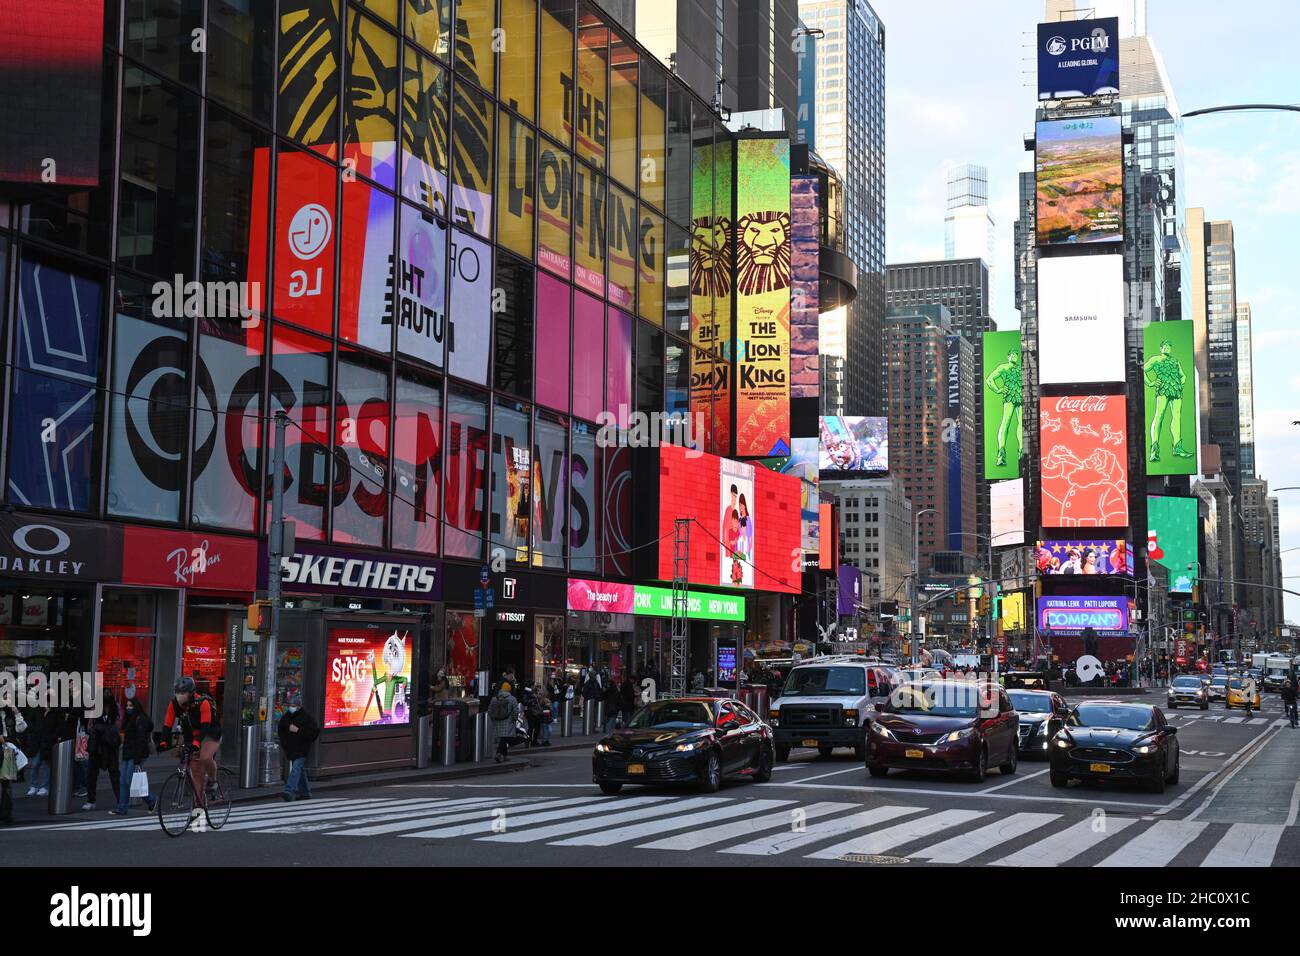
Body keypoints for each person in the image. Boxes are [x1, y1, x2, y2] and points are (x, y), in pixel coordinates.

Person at [160, 676, 223, 802]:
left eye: (183, 693)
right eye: (177, 692)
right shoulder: (174, 705)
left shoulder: (203, 703)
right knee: (196, 772)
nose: (179, 696)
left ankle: (213, 780)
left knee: (205, 756)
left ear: (191, 693)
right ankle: (198, 807)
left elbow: (205, 727)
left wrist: (196, 742)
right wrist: (163, 741)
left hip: (211, 732)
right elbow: (167, 724)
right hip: (192, 735)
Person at [113, 698, 156, 816]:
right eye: (127, 706)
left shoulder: (140, 720)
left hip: (136, 754)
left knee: (128, 780)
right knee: (124, 781)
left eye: (130, 706)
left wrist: (137, 760)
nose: (128, 708)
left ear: (136, 706)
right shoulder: (133, 719)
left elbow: (140, 740)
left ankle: (151, 800)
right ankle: (122, 807)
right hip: (130, 753)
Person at [82, 696, 121, 812]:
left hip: (105, 746)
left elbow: (90, 727)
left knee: (112, 775)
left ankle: (120, 801)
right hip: (99, 746)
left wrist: (99, 728)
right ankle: (92, 800)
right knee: (93, 775)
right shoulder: (108, 711)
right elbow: (89, 726)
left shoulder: (111, 711)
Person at [277, 693, 319, 802]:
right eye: (290, 705)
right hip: (292, 748)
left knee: (296, 769)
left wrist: (298, 730)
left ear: (299, 705)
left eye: (293, 705)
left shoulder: (306, 718)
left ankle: (289, 790)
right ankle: (305, 792)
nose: (291, 707)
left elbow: (313, 733)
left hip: (302, 749)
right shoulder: (286, 718)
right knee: (299, 770)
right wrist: (285, 744)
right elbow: (281, 731)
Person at [25, 704, 61, 797]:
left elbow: (58, 725)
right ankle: (34, 785)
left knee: (46, 764)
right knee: (35, 764)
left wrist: (54, 736)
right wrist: (33, 732)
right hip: (38, 740)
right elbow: (30, 721)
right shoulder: (37, 709)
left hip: (48, 741)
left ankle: (43, 787)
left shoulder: (56, 711)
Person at [0, 703, 26, 825]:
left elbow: (22, 728)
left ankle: (6, 814)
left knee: (7, 784)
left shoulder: (10, 713)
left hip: (8, 749)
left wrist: (16, 712)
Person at [487, 685, 519, 763]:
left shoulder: (494, 699)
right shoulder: (512, 699)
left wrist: (493, 719)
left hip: (497, 721)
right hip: (508, 721)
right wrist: (515, 719)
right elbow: (515, 711)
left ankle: (505, 755)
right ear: (509, 690)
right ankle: (499, 753)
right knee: (505, 738)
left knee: (503, 738)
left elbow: (490, 710)